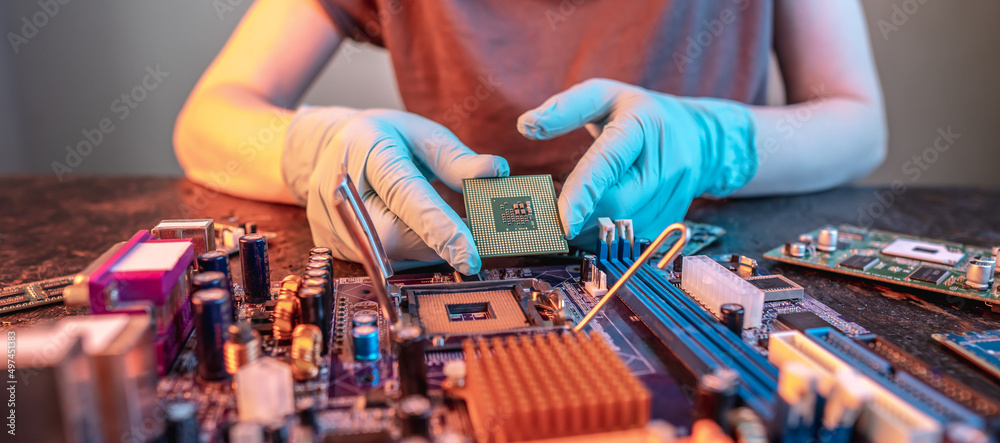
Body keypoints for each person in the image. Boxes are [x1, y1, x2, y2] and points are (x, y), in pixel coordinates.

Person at [174, 0, 886, 275]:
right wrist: (315, 150)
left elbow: (857, 123)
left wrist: (712, 140)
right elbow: (210, 118)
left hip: (697, 263)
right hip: (449, 257)